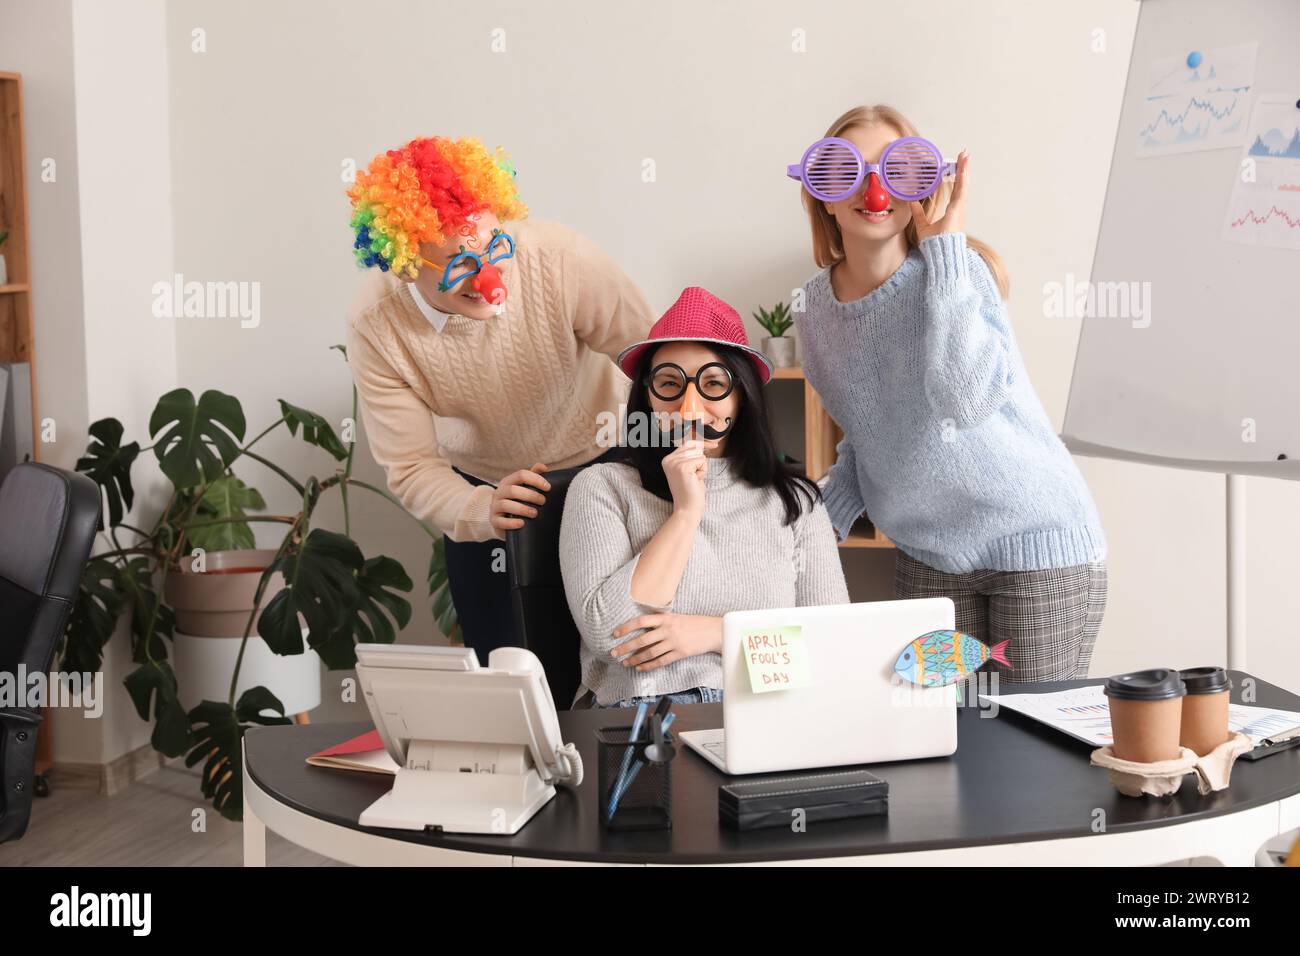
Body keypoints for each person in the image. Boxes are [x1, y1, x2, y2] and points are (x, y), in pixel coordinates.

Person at [788, 105, 1108, 681]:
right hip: (929, 555)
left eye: (895, 170)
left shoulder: (960, 273)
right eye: (846, 171)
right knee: (942, 745)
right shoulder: (812, 312)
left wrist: (946, 253)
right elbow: (871, 433)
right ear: (822, 194)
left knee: (1031, 752)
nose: (873, 188)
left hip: (1036, 544)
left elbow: (966, 401)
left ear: (921, 188)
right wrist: (812, 526)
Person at [344, 135, 654, 663]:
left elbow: (653, 359)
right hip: (486, 489)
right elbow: (414, 466)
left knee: (625, 657)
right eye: (459, 264)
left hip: (606, 465)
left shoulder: (560, 259)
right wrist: (482, 508)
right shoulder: (376, 327)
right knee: (513, 671)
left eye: (496, 247)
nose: (491, 279)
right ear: (405, 263)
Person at [559, 287, 850, 708]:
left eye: (713, 383)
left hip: (768, 709)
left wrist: (715, 634)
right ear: (648, 397)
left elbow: (832, 640)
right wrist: (686, 512)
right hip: (646, 713)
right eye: (669, 384)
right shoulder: (602, 487)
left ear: (741, 397)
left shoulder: (795, 501)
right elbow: (611, 634)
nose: (690, 408)